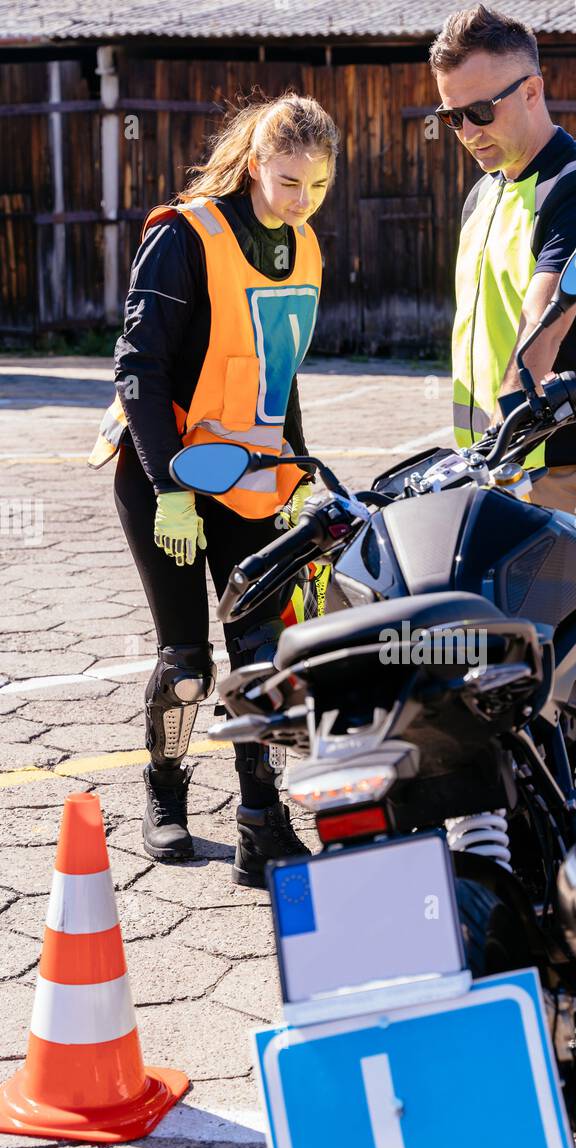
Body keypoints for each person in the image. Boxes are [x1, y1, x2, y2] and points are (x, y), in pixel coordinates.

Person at [89, 91, 339, 887]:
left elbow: (281, 372)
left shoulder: (304, 249)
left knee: (262, 656)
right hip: (165, 469)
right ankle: (164, 793)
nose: (303, 201)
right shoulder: (186, 234)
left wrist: (300, 469)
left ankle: (262, 821)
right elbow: (140, 367)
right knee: (189, 660)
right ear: (257, 163)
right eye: (291, 181)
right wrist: (169, 489)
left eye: (320, 186)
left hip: (252, 474)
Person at [431, 5, 576, 611]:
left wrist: (511, 409)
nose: (468, 131)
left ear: (532, 90)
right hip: (500, 462)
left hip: (575, 462)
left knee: (573, 659)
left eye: (481, 111)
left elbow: (543, 329)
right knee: (510, 666)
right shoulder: (488, 192)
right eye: (451, 116)